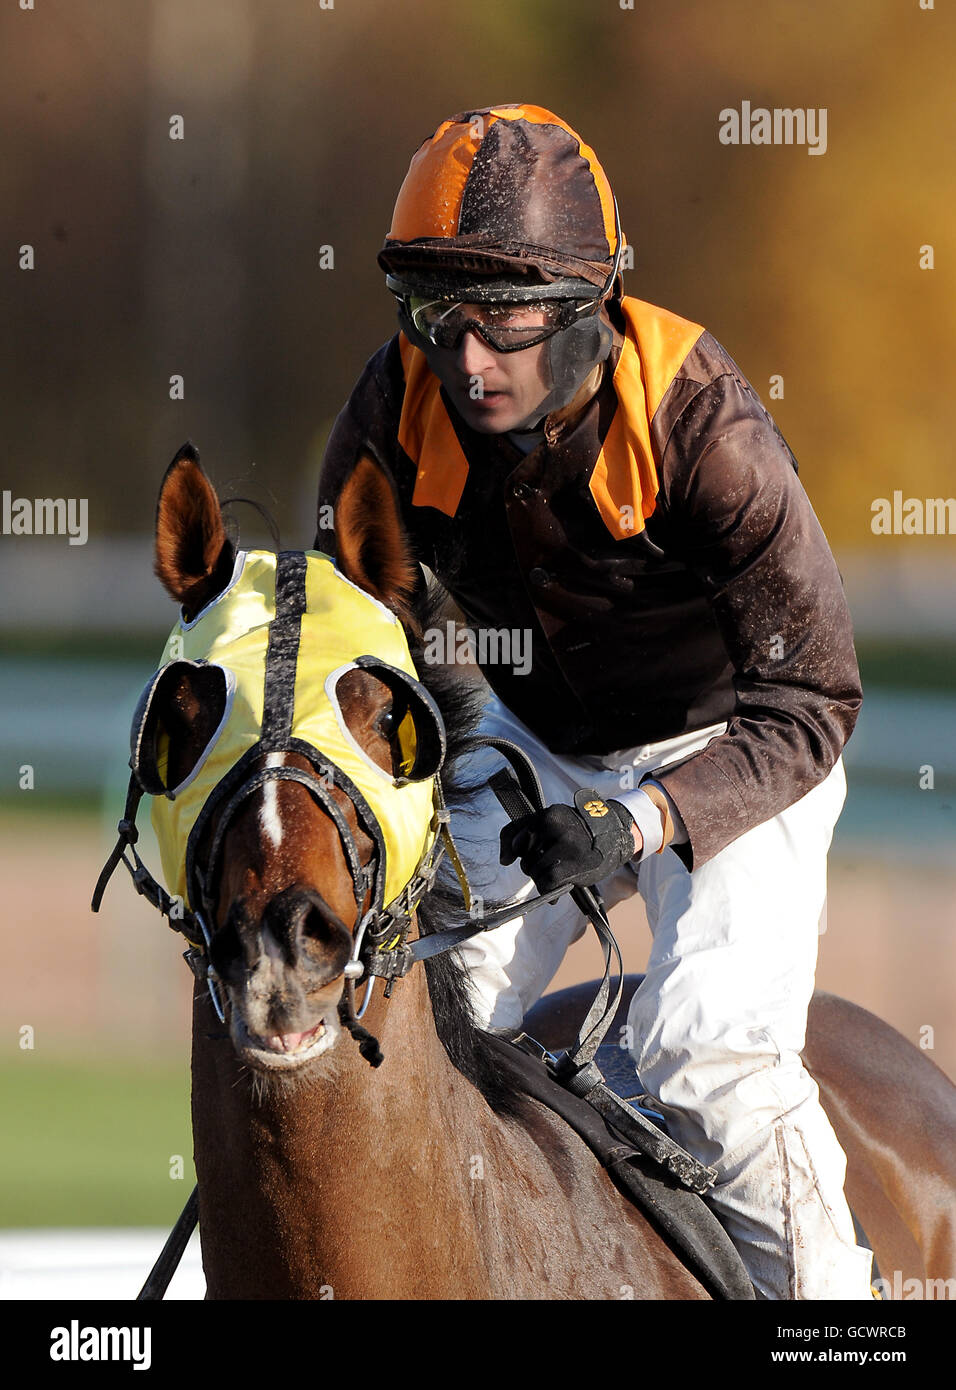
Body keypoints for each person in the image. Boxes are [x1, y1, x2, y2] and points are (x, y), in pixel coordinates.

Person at [315, 103, 874, 1300]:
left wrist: (642, 822)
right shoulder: (393, 404)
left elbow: (815, 696)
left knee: (701, 1054)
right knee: (396, 1015)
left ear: (588, 307)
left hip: (736, 742)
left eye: (506, 317)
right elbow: (360, 636)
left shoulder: (703, 427)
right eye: (437, 313)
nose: (466, 360)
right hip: (532, 737)